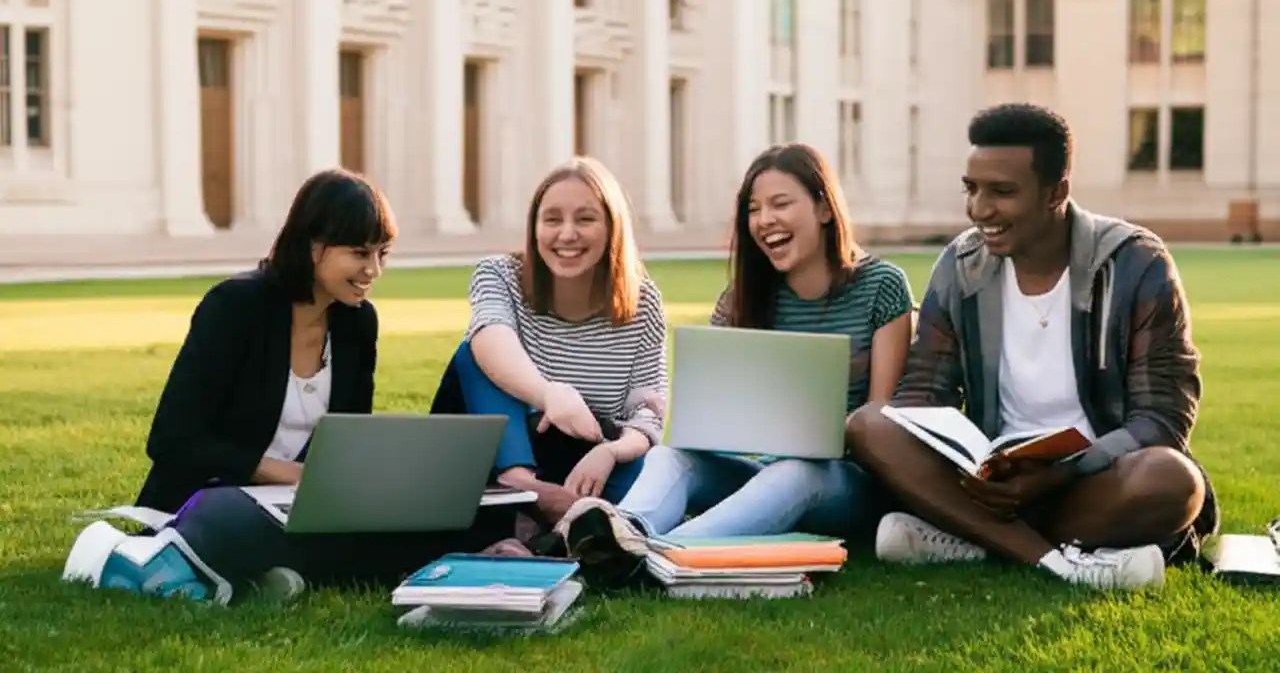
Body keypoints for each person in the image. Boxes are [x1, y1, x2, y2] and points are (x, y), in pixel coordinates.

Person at [63, 169, 512, 604]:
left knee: (447, 517)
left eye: (383, 254)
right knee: (230, 517)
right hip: (214, 495)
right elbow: (172, 440)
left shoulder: (357, 322)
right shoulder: (235, 307)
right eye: (360, 253)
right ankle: (242, 564)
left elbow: (347, 435)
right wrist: (282, 473)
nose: (374, 269)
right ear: (313, 245)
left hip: (301, 506)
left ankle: (261, 573)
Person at [845, 103, 1218, 590]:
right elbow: (922, 396)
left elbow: (1162, 421)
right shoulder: (962, 265)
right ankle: (1058, 560)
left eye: (1002, 192)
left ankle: (972, 540)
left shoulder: (1135, 264)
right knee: (871, 424)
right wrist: (968, 466)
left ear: (1056, 192)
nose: (979, 209)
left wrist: (1061, 474)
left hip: (1092, 481)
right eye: (971, 189)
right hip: (990, 481)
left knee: (1173, 481)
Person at [555, 143, 914, 575]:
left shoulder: (882, 286)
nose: (765, 221)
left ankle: (659, 556)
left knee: (796, 471)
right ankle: (625, 531)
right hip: (759, 474)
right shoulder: (743, 297)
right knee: (671, 456)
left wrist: (819, 434)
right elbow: (706, 416)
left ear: (823, 208)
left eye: (780, 204)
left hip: (844, 483)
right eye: (754, 209)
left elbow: (880, 425)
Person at [429, 156, 668, 528]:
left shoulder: (643, 302)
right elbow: (490, 337)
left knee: (649, 474)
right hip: (496, 448)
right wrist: (550, 395)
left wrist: (610, 451)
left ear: (611, 228)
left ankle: (534, 522)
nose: (567, 234)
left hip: (580, 456)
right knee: (474, 353)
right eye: (552, 219)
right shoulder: (500, 274)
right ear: (535, 227)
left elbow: (648, 412)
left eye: (585, 219)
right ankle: (521, 487)